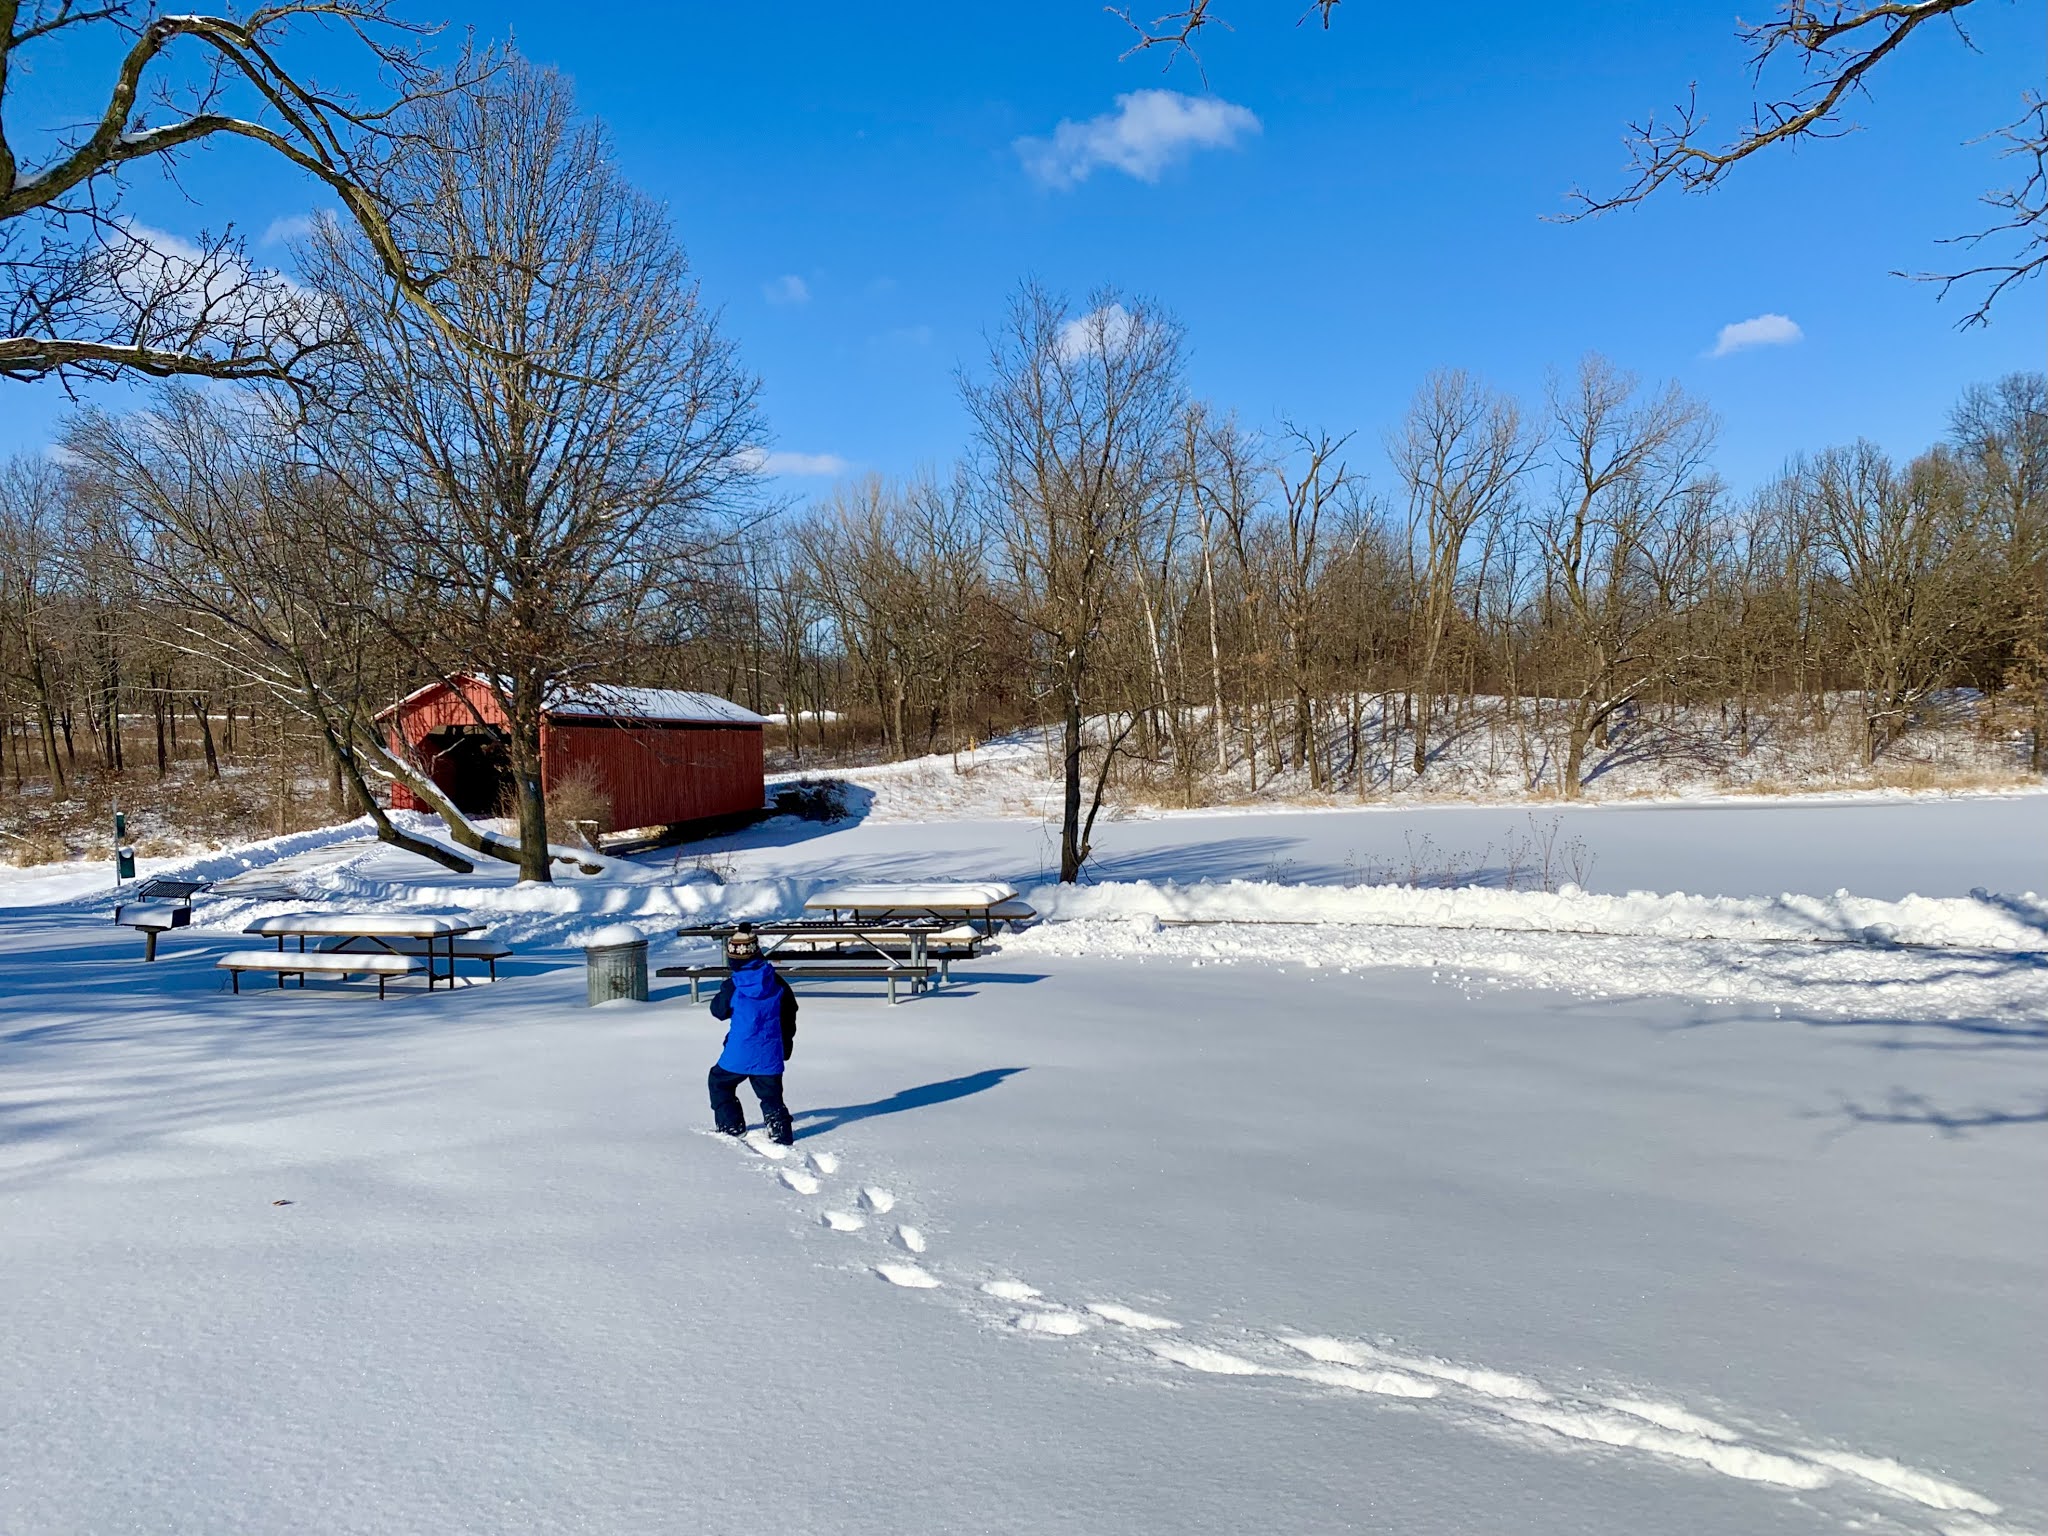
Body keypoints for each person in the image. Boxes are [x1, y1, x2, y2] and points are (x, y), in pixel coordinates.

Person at [707, 922, 799, 1144]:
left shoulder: (733, 985)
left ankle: (731, 1127)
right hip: (770, 1053)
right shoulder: (777, 983)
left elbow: (718, 1011)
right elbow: (790, 1014)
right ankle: (780, 1134)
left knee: (719, 1082)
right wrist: (785, 1046)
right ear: (757, 953)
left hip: (738, 1051)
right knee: (771, 1096)